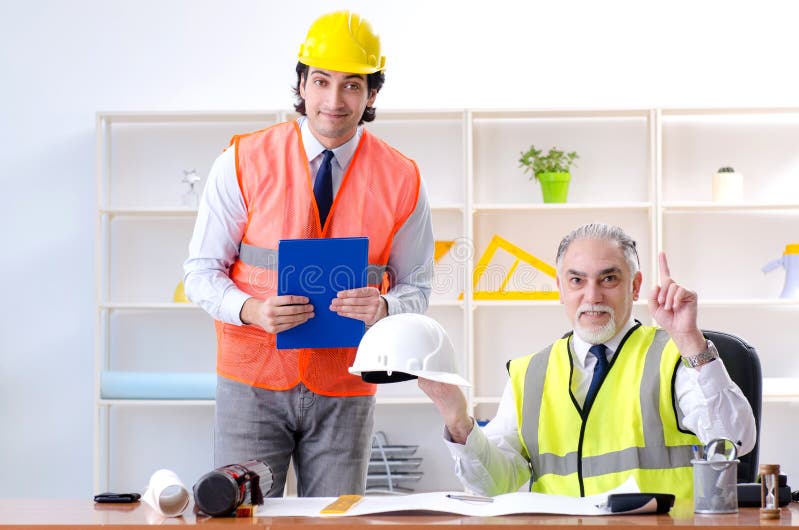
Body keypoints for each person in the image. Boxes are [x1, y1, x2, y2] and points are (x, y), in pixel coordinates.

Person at [183, 10, 433, 497]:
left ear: (372, 94)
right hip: (251, 382)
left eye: (351, 85)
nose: (333, 101)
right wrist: (251, 309)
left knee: (337, 522)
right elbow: (200, 272)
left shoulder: (402, 177)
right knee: (240, 518)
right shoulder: (242, 160)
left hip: (346, 387)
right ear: (302, 84)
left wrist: (385, 307)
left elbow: (419, 286)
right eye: (320, 81)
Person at [419, 223, 756, 501]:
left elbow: (736, 441)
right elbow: (492, 484)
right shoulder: (530, 374)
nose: (592, 296)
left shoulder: (674, 356)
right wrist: (458, 420)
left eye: (609, 279)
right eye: (577, 280)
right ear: (560, 288)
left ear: (635, 286)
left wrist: (689, 339)